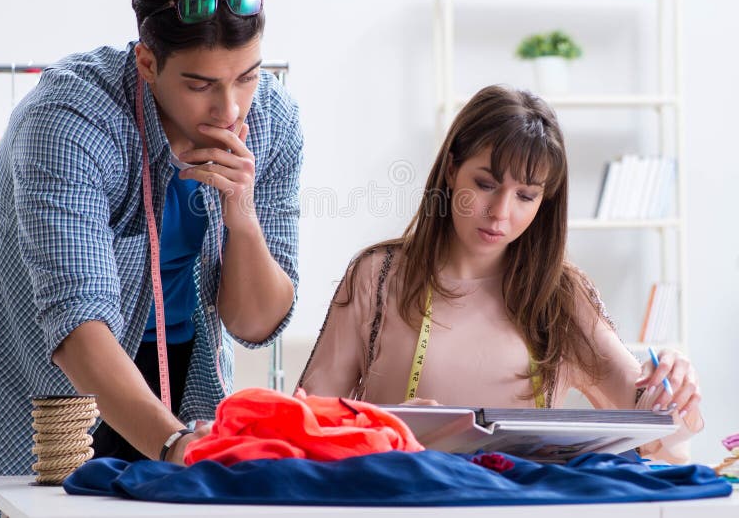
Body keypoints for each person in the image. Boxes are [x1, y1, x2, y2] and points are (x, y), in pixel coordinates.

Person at [0, 0, 303, 479]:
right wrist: (175, 443)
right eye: (201, 85)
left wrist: (241, 215)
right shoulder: (69, 119)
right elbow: (77, 326)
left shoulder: (272, 116)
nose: (229, 110)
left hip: (182, 373)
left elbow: (255, 325)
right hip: (41, 385)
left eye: (246, 77)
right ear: (147, 62)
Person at [298, 85, 701, 463]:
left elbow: (663, 438)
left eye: (526, 196)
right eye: (486, 184)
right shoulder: (379, 277)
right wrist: (384, 426)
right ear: (452, 169)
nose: (500, 212)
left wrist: (674, 381)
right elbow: (303, 425)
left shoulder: (562, 298)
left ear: (545, 201)